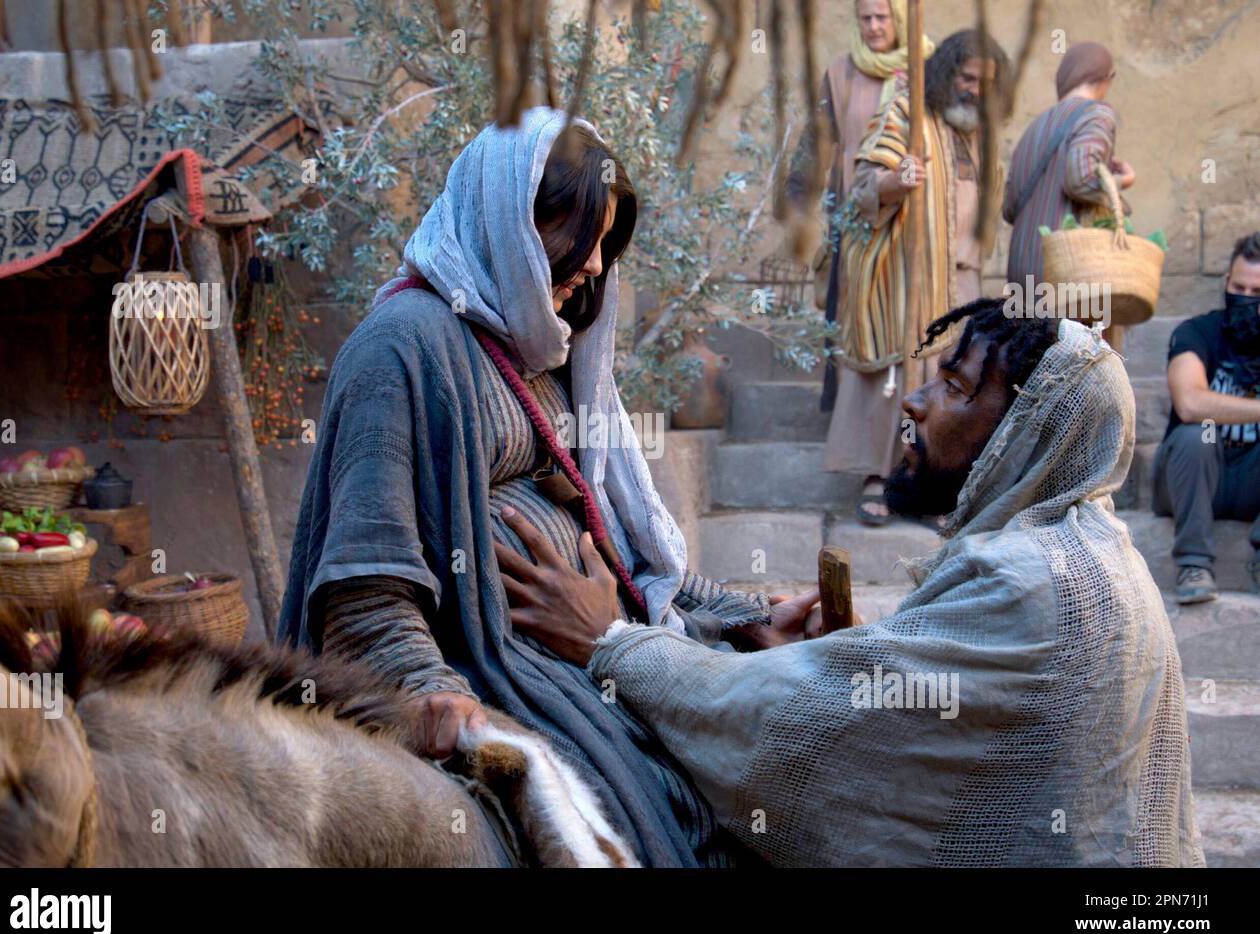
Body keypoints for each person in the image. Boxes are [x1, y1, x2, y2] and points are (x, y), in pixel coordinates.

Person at [276, 107, 805, 868]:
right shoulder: (399, 350)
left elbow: (615, 540)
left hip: (590, 660)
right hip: (506, 683)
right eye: (577, 239)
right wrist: (447, 706)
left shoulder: (535, 351)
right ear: (508, 221)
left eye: (602, 243)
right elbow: (367, 601)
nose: (593, 265)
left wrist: (734, 615)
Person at [497, 299, 1204, 867]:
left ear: (1025, 435)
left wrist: (612, 641)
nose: (916, 403)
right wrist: (854, 653)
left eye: (953, 387)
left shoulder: (1026, 580)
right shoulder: (1094, 549)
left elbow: (796, 722)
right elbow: (968, 714)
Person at [825, 30, 1007, 527]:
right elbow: (864, 186)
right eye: (967, 79)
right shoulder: (906, 114)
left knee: (954, 378)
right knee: (898, 377)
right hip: (905, 277)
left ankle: (940, 489)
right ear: (947, 76)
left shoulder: (981, 129)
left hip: (962, 279)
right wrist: (895, 181)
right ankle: (880, 478)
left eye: (984, 83)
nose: (974, 90)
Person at [786, 0, 934, 421]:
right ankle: (852, 421)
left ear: (899, 19)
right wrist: (797, 197)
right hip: (857, 213)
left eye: (881, 17)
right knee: (850, 309)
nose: (872, 27)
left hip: (913, 215)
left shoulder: (925, 67)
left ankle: (917, 419)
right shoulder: (841, 73)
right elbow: (817, 142)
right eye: (865, 18)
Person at [1152, 232, 1260, 604]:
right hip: (1191, 477)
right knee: (1201, 433)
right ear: (1226, 282)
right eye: (1238, 287)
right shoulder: (1196, 332)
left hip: (1250, 480)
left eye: (1256, 292)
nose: (1244, 298)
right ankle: (1194, 564)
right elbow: (1190, 403)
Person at [1003, 41, 1134, 290]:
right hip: (1065, 269)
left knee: (1029, 330)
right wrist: (1123, 181)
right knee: (1075, 331)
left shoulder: (1033, 129)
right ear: (1107, 78)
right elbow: (1080, 181)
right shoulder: (1097, 114)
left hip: (1021, 268)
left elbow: (1009, 208)